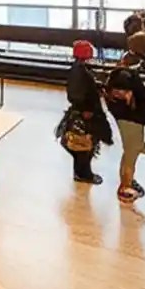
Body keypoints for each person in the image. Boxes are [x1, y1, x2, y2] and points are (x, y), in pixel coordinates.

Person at [56, 40, 113, 184]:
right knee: (84, 145)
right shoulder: (82, 73)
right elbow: (80, 94)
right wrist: (87, 109)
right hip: (86, 112)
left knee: (81, 145)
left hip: (79, 110)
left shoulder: (77, 70)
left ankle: (80, 172)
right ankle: (84, 174)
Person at [105, 65, 145, 203]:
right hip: (131, 121)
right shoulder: (125, 80)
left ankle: (127, 181)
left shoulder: (117, 78)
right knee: (131, 155)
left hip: (132, 120)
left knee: (129, 153)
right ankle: (125, 187)